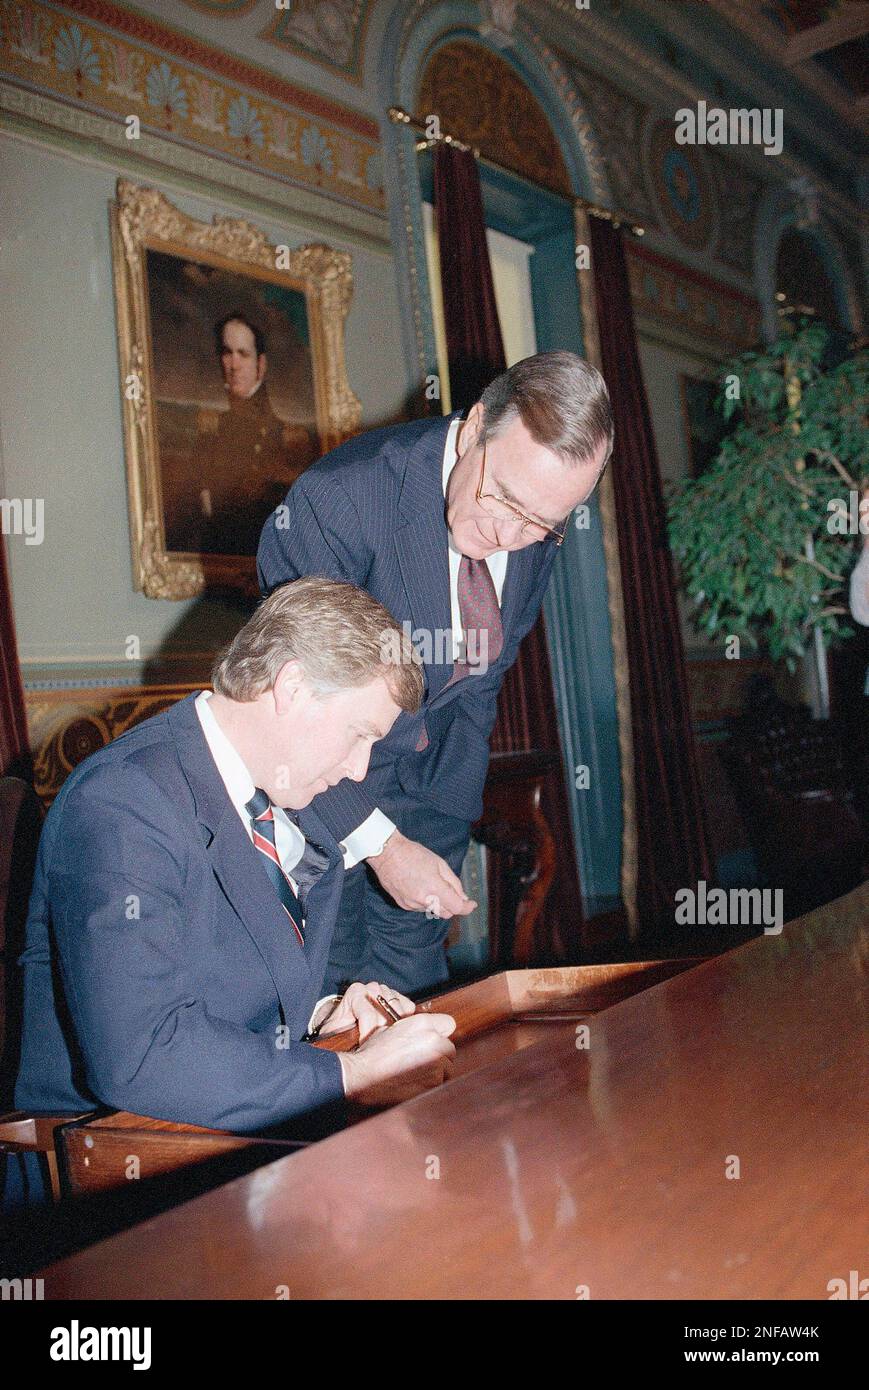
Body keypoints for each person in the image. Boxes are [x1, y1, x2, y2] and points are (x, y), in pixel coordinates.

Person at [13, 577, 457, 1149]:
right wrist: (353, 1072)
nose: (358, 770)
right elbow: (142, 1055)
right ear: (292, 686)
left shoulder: (296, 800)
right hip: (115, 1160)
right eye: (358, 736)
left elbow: (247, 989)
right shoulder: (124, 801)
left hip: (231, 1135)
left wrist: (326, 1014)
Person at [257, 350, 614, 994]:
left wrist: (442, 824)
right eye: (502, 496)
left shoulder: (533, 526)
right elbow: (293, 717)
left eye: (542, 522)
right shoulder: (340, 500)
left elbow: (478, 692)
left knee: (414, 1010)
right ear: (477, 426)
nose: (509, 533)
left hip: (428, 805)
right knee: (328, 1020)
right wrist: (381, 845)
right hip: (317, 806)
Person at [189, 312, 315, 556]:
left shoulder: (289, 435)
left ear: (261, 364)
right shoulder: (210, 427)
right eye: (227, 353)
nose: (233, 365)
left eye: (243, 354)